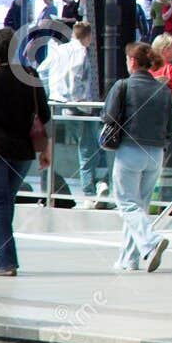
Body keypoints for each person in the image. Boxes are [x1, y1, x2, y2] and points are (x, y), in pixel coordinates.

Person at [103, 42, 172, 273]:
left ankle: (151, 241)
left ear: (133, 62)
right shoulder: (164, 90)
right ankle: (129, 259)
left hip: (129, 151)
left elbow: (108, 116)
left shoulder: (123, 86)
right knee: (140, 207)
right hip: (155, 153)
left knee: (127, 204)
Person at [0, 28, 50, 275]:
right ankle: (2, 257)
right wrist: (45, 150)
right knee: (5, 203)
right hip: (24, 152)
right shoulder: (30, 75)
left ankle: (5, 261)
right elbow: (44, 115)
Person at [38, 20, 102, 206]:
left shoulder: (59, 49)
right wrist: (80, 101)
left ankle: (50, 191)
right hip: (76, 107)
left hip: (56, 105)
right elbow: (76, 77)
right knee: (88, 148)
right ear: (88, 37)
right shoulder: (81, 52)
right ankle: (89, 192)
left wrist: (50, 92)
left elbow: (42, 71)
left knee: (53, 148)